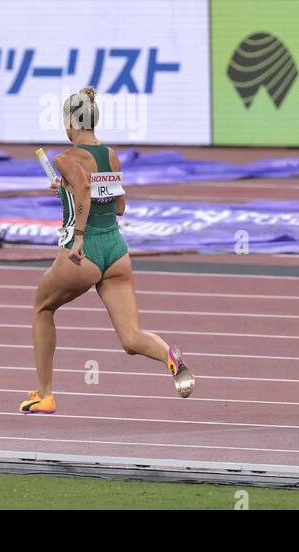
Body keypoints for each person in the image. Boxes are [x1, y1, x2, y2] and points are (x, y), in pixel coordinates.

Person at [20, 87, 195, 415]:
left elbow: (85, 191)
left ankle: (45, 394)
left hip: (82, 253)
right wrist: (65, 190)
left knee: (42, 308)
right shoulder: (110, 155)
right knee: (131, 337)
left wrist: (80, 237)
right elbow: (118, 206)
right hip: (116, 252)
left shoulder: (65, 158)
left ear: (72, 122)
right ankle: (168, 355)